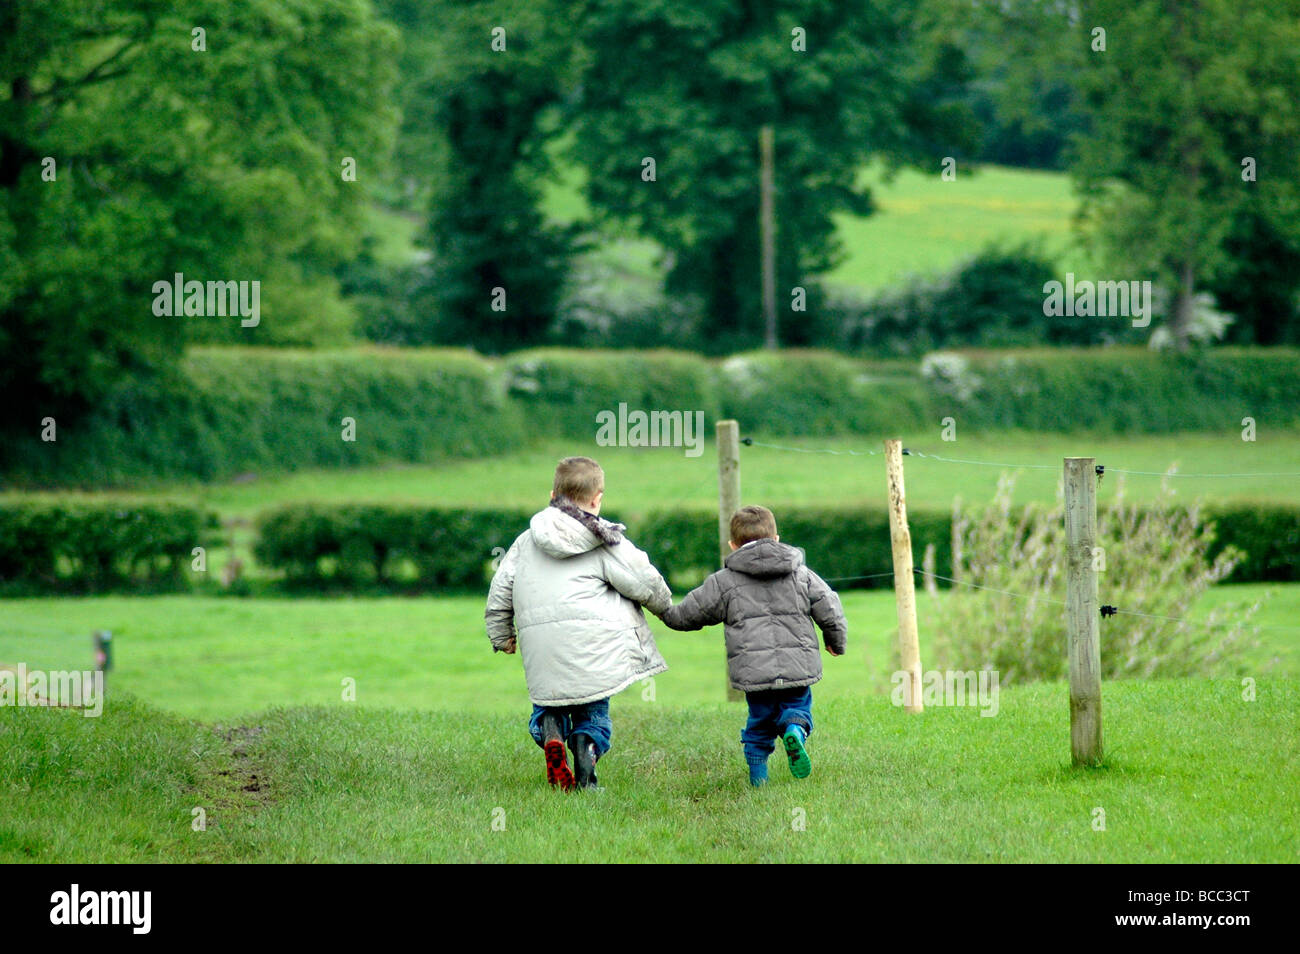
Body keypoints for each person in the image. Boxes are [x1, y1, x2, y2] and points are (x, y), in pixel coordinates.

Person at [485, 456, 671, 790]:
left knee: (546, 707)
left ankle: (552, 733)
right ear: (597, 499)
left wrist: (502, 636)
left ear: (552, 493)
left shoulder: (525, 542)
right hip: (594, 653)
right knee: (593, 714)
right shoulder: (604, 540)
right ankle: (586, 754)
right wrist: (667, 609)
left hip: (543, 653)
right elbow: (644, 580)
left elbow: (499, 592)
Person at [661, 505, 847, 787]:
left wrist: (661, 609)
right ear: (776, 539)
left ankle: (759, 778)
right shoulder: (801, 574)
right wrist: (836, 641)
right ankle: (794, 730)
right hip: (797, 666)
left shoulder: (724, 582)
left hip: (754, 671)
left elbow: (689, 613)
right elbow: (829, 607)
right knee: (797, 705)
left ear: (733, 545)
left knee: (759, 721)